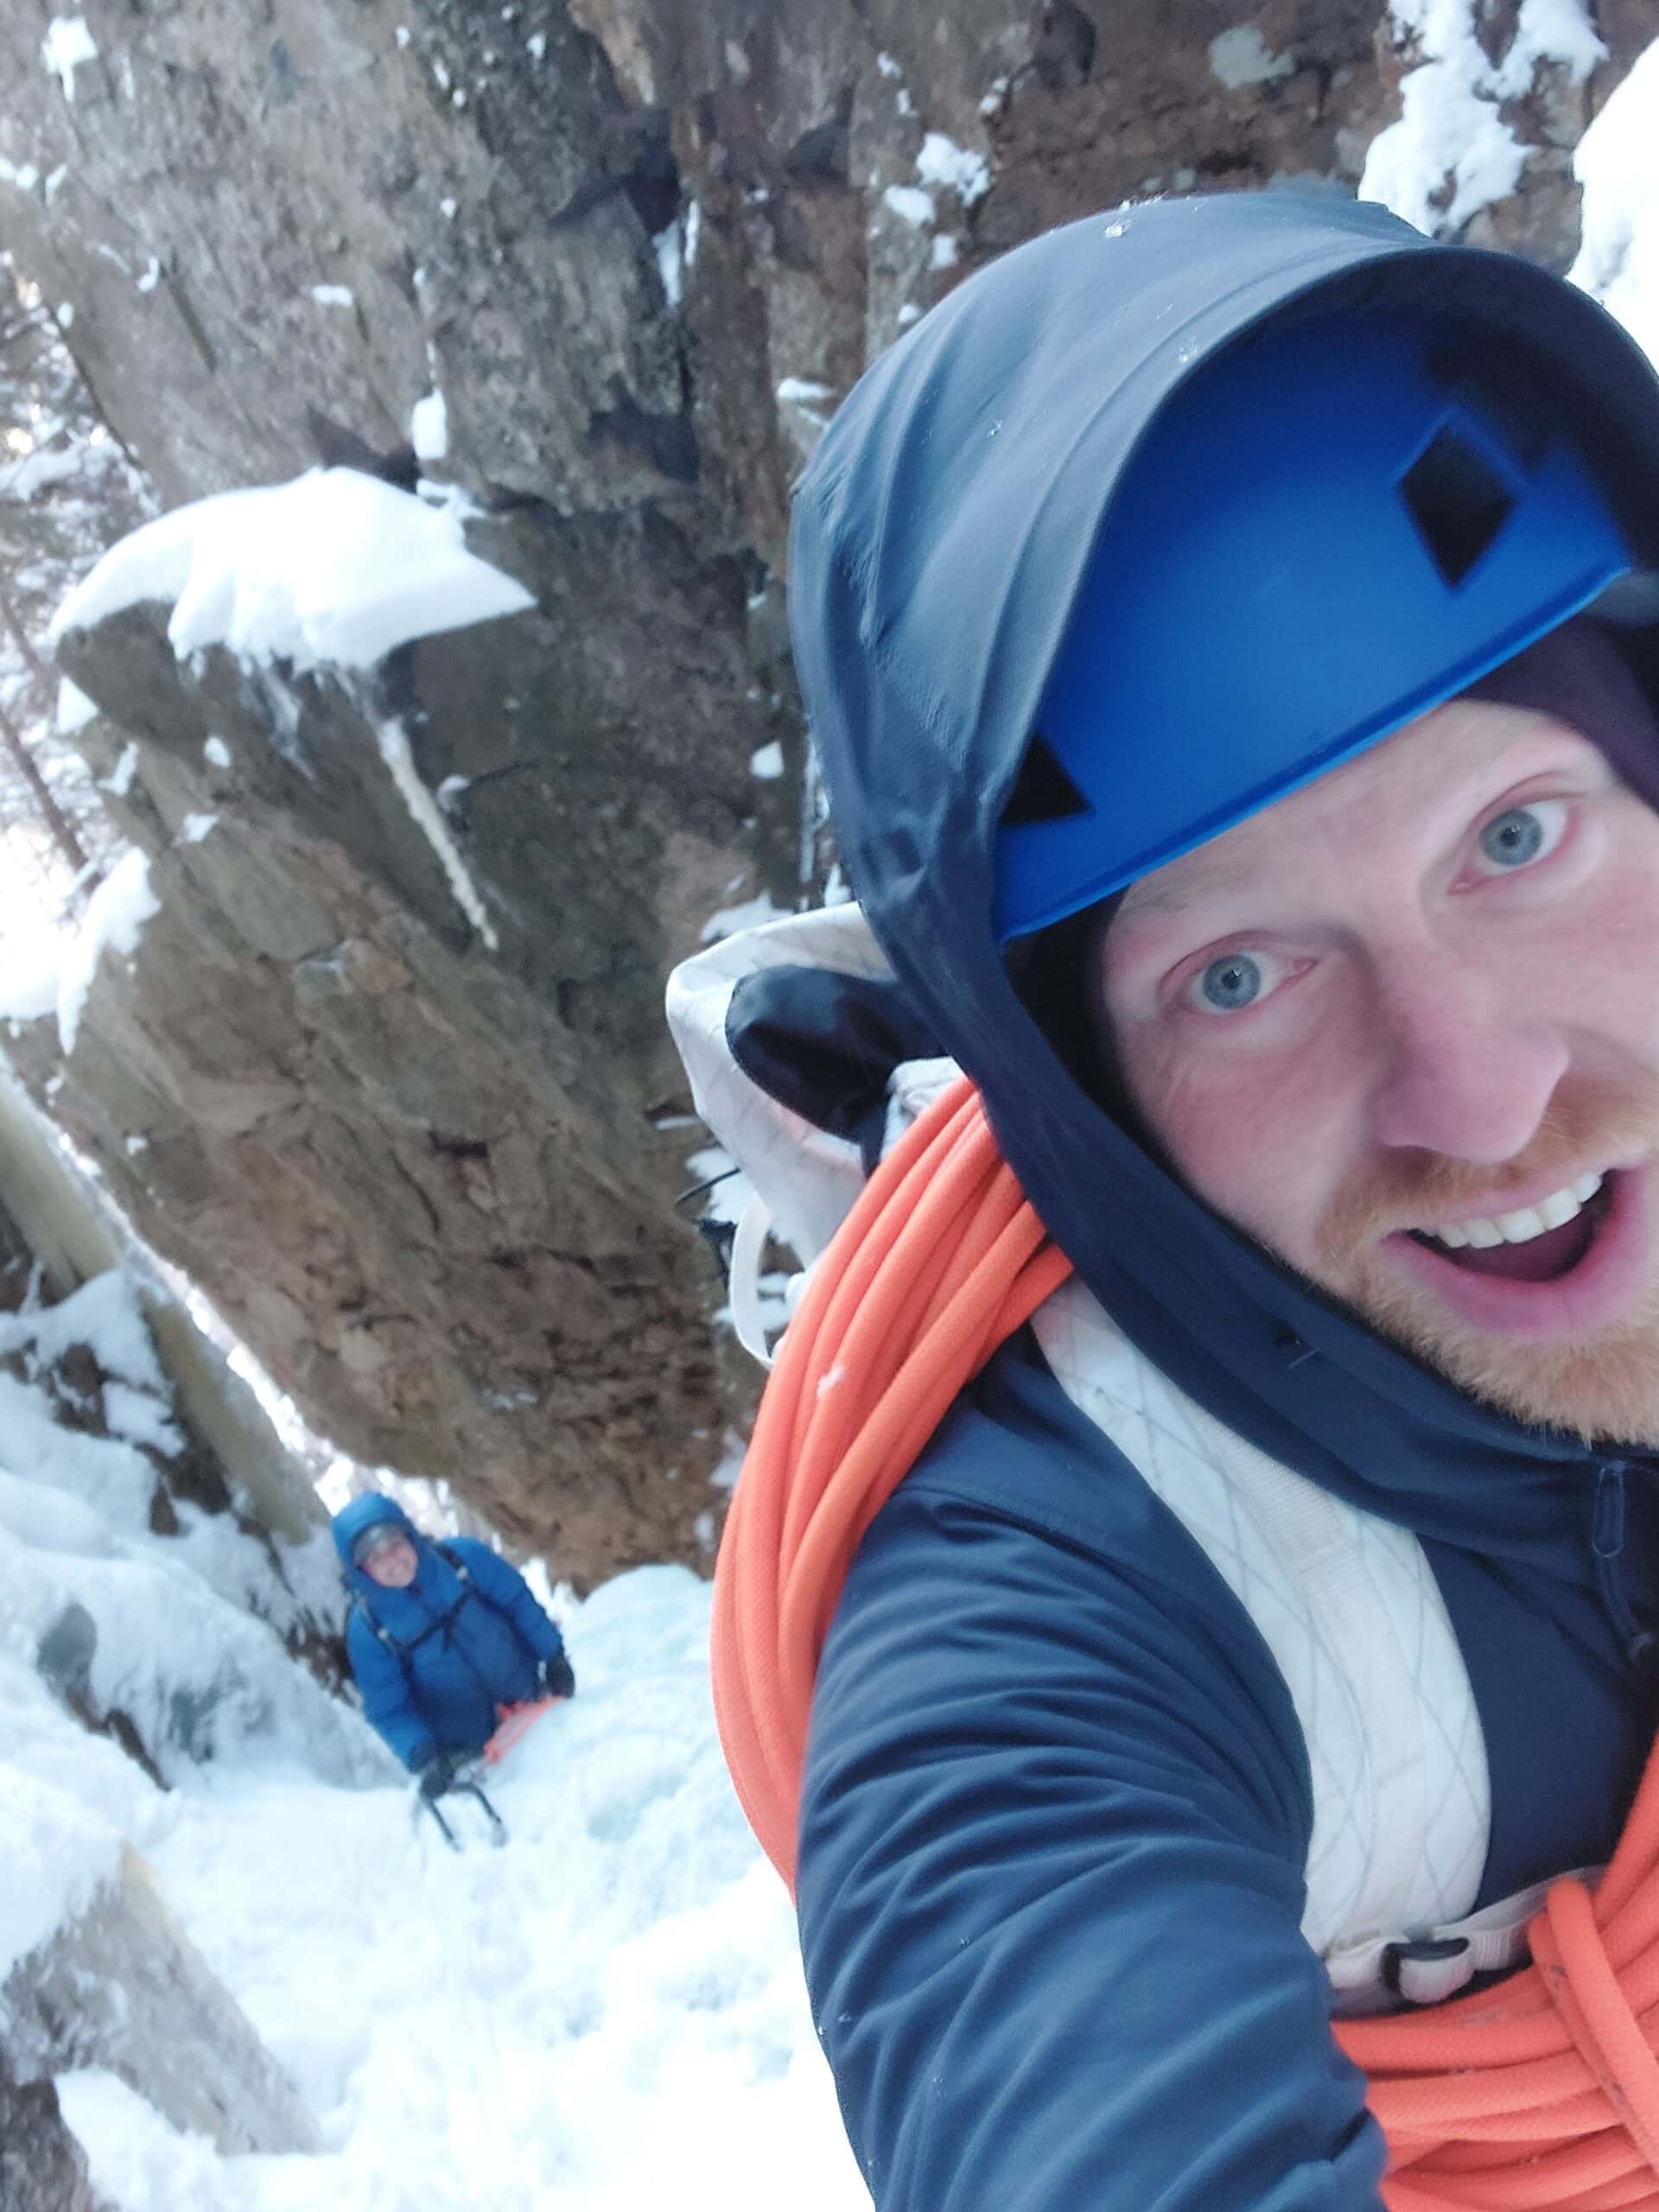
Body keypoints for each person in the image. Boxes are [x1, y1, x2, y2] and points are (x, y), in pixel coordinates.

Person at [664, 191, 1659, 2208]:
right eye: (1237, 974)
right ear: (1080, 1097)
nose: (1486, 1096)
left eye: (1516, 831)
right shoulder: (1049, 1613)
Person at [333, 1493, 574, 1799]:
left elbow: (517, 1603)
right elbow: (389, 1708)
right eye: (375, 1557)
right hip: (474, 1752)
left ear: (410, 1536)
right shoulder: (368, 1630)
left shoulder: (464, 1559)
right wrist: (423, 1754)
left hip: (532, 1698)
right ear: (360, 1571)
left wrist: (553, 1655)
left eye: (395, 1545)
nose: (393, 1560)